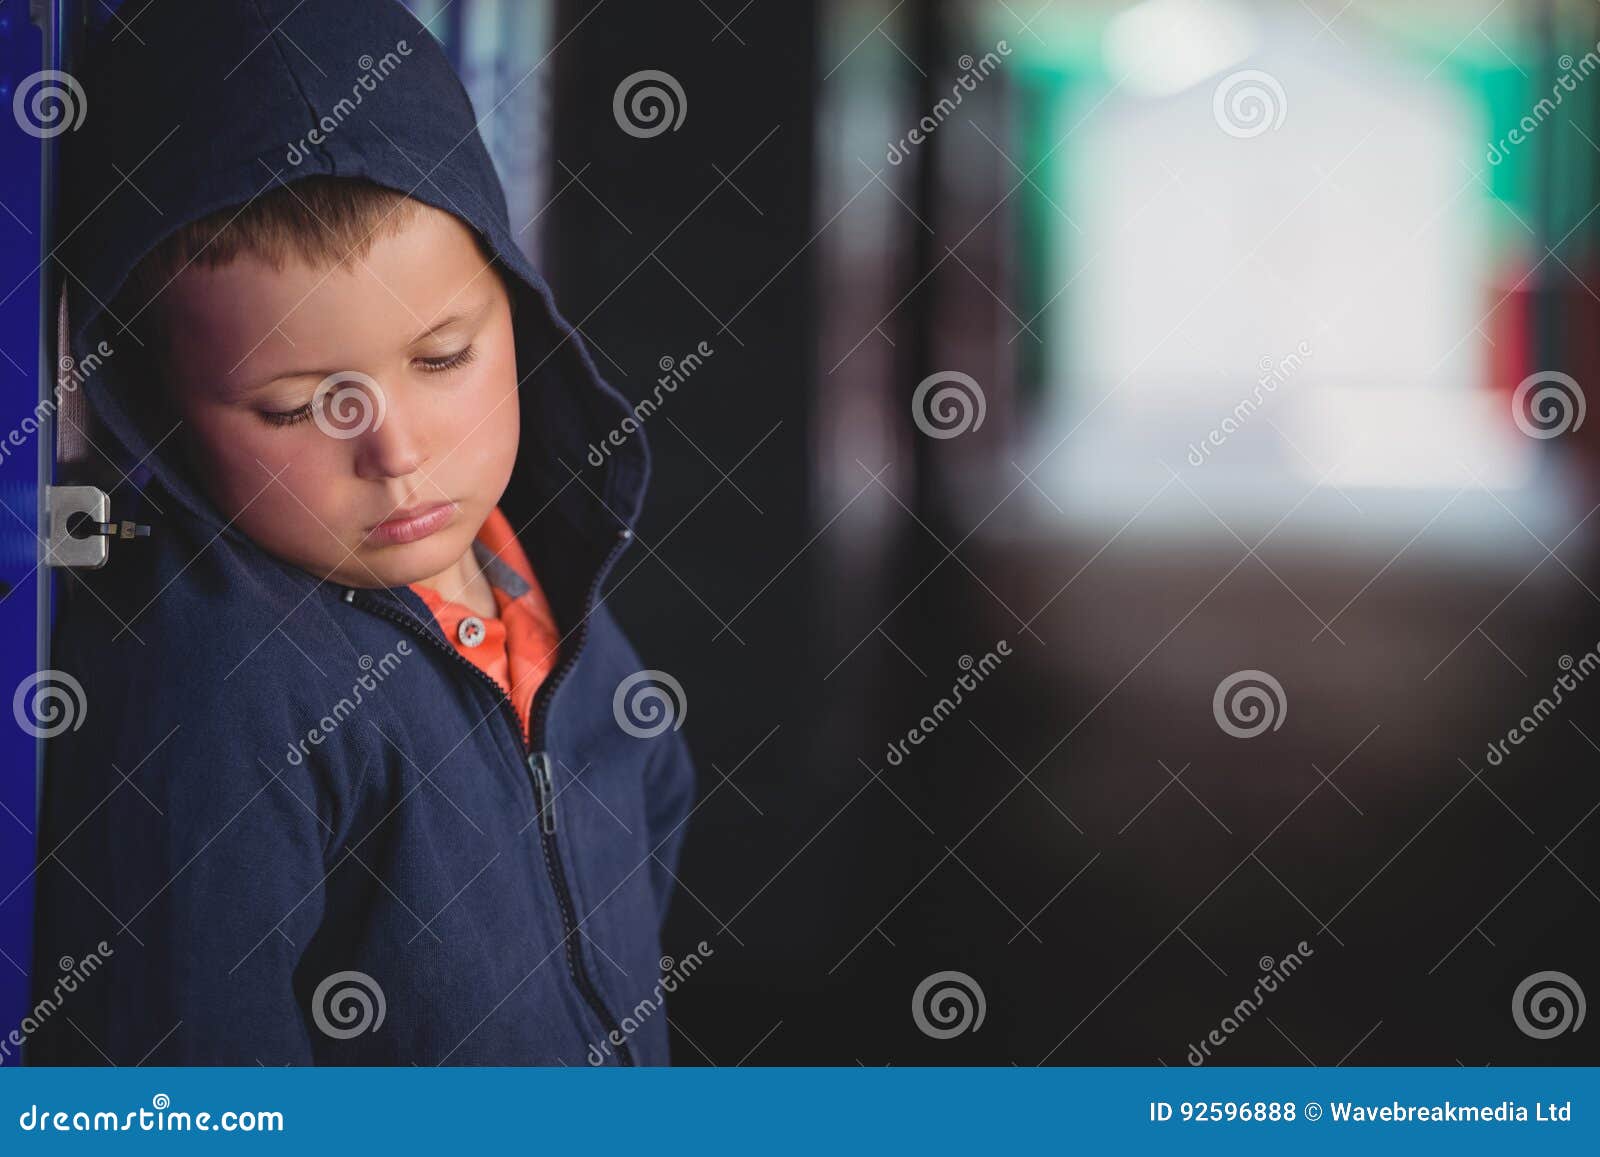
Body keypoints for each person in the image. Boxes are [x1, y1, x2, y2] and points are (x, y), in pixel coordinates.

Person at [27, 0, 696, 1065]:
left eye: (442, 359)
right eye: (295, 408)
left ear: (516, 309)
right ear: (162, 406)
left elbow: (643, 809)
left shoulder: (542, 566)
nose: (396, 453)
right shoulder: (228, 687)